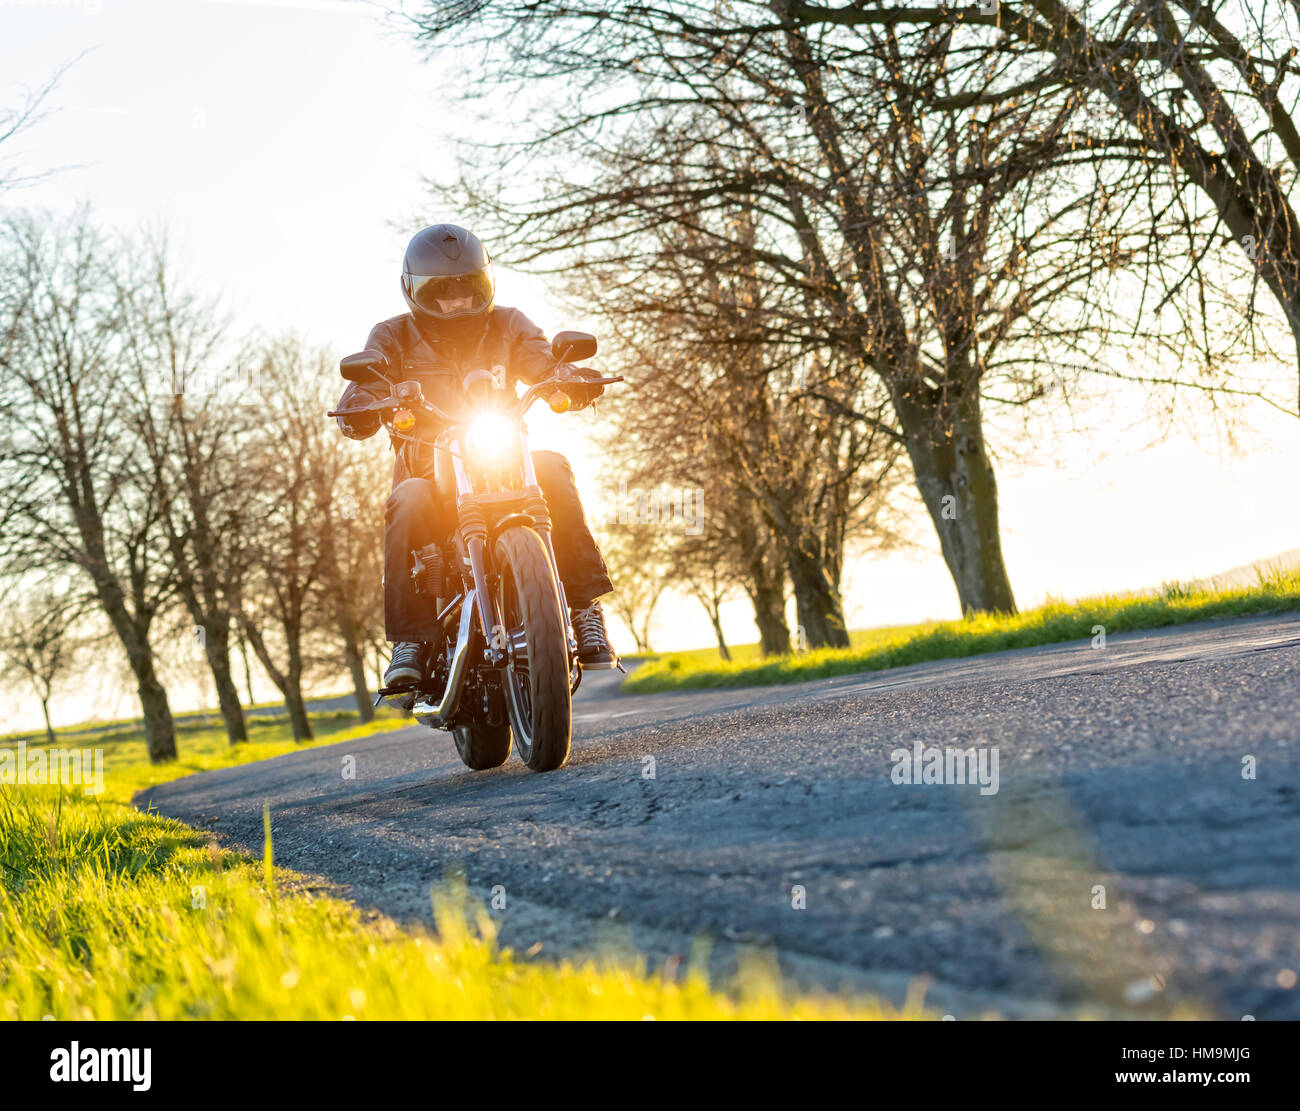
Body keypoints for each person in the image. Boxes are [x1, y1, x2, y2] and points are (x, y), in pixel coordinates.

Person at [334, 223, 618, 687]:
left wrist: (570, 376)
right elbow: (362, 387)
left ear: (483, 283)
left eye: (468, 289)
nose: (458, 301)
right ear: (416, 290)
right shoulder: (394, 336)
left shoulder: (508, 323)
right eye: (444, 292)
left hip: (506, 464)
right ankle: (410, 639)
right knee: (407, 500)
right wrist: (363, 405)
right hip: (429, 470)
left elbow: (542, 358)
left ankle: (585, 608)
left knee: (553, 466)